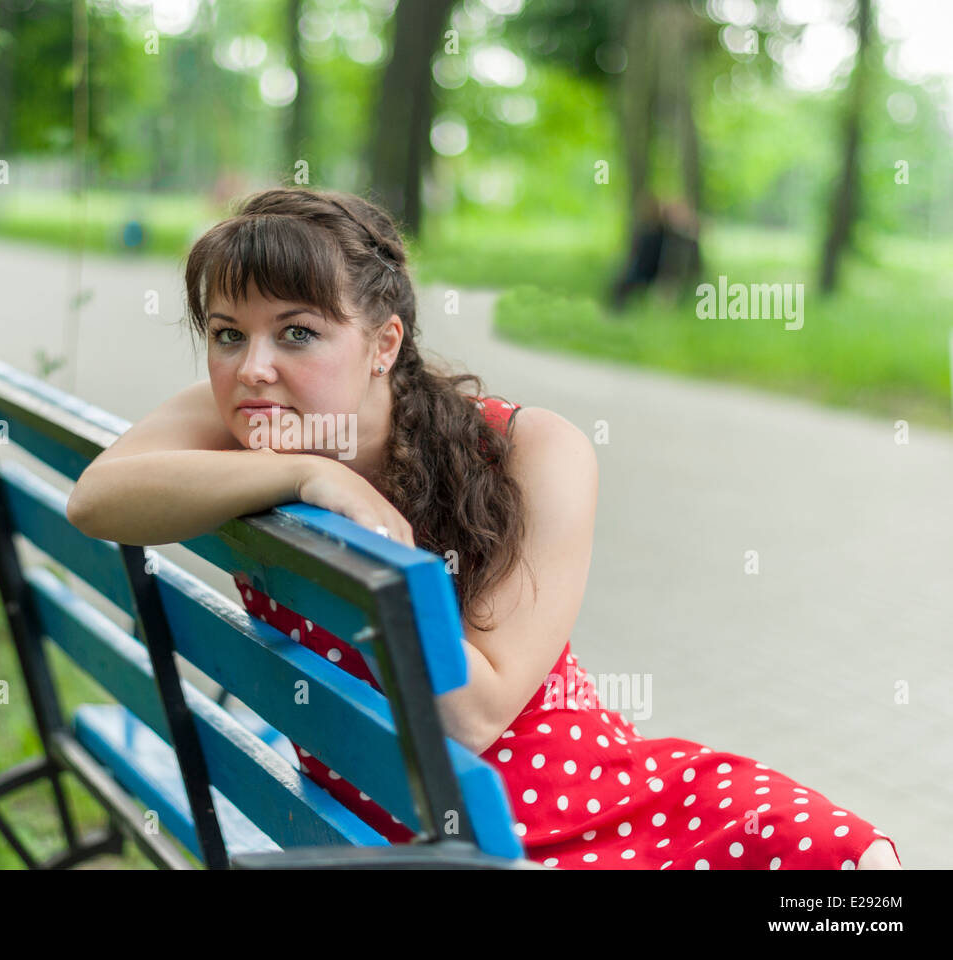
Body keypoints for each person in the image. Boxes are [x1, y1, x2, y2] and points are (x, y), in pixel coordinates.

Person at [66, 186, 901, 870]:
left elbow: (483, 704)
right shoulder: (265, 429)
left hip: (597, 804)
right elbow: (97, 498)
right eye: (225, 334)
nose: (253, 366)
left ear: (384, 342)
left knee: (852, 870)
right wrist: (309, 471)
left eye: (298, 332)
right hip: (489, 839)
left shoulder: (526, 450)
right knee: (848, 870)